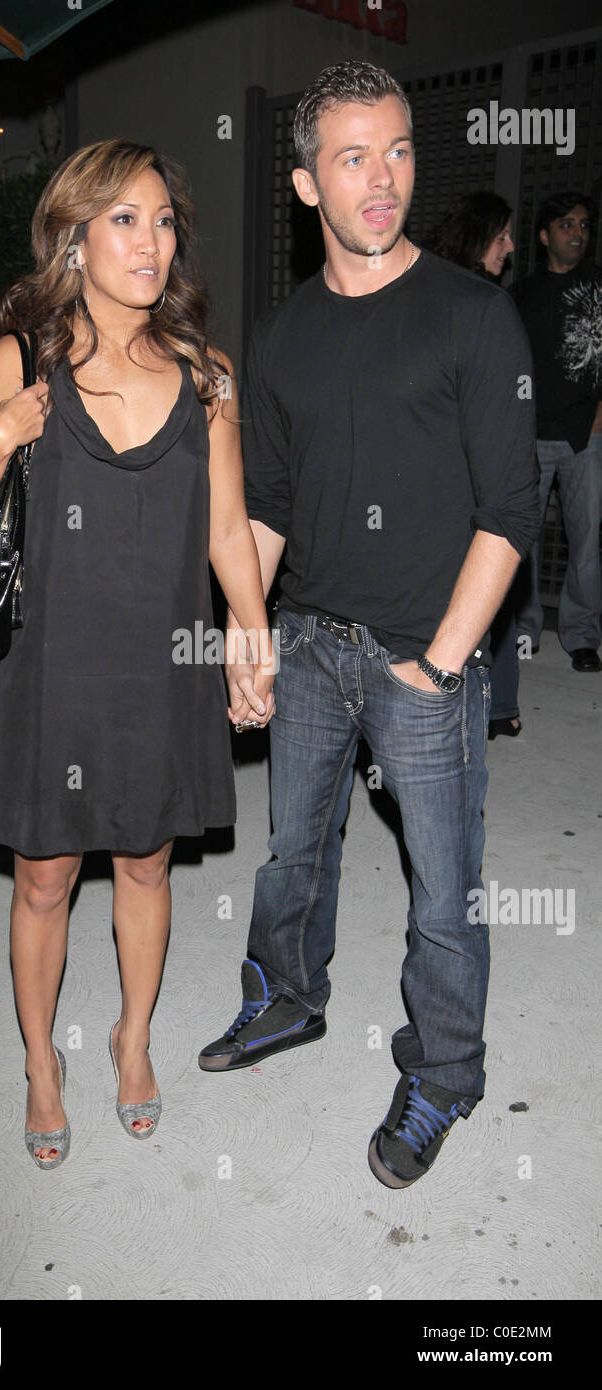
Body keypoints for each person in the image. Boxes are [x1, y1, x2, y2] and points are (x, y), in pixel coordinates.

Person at [198, 60, 539, 1190]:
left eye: (396, 150)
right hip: (308, 641)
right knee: (292, 853)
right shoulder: (283, 334)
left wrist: (437, 667)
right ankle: (286, 997)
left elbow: (509, 511)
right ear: (306, 183)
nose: (382, 178)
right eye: (353, 157)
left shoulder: (471, 314)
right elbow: (268, 504)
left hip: (421, 657)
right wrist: (248, 631)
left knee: (442, 893)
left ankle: (444, 1070)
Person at [0, 139, 275, 1168]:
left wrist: (250, 636)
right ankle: (42, 1062)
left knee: (146, 861)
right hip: (55, 672)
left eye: (163, 220)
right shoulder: (21, 362)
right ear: (74, 237)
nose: (150, 241)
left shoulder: (207, 376)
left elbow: (226, 528)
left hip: (163, 671)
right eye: (124, 219)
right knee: (43, 879)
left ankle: (132, 1039)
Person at [428, 191, 523, 739]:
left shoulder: (490, 299)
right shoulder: (454, 299)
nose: (508, 247)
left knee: (498, 577)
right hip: (452, 476)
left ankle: (495, 703)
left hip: (488, 468)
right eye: (501, 235)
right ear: (477, 235)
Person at [510, 193, 602, 672]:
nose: (577, 233)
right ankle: (523, 630)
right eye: (566, 225)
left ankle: (582, 635)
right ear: (545, 235)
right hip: (531, 433)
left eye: (583, 225)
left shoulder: (599, 288)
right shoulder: (521, 294)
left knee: (587, 540)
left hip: (588, 433)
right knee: (522, 538)